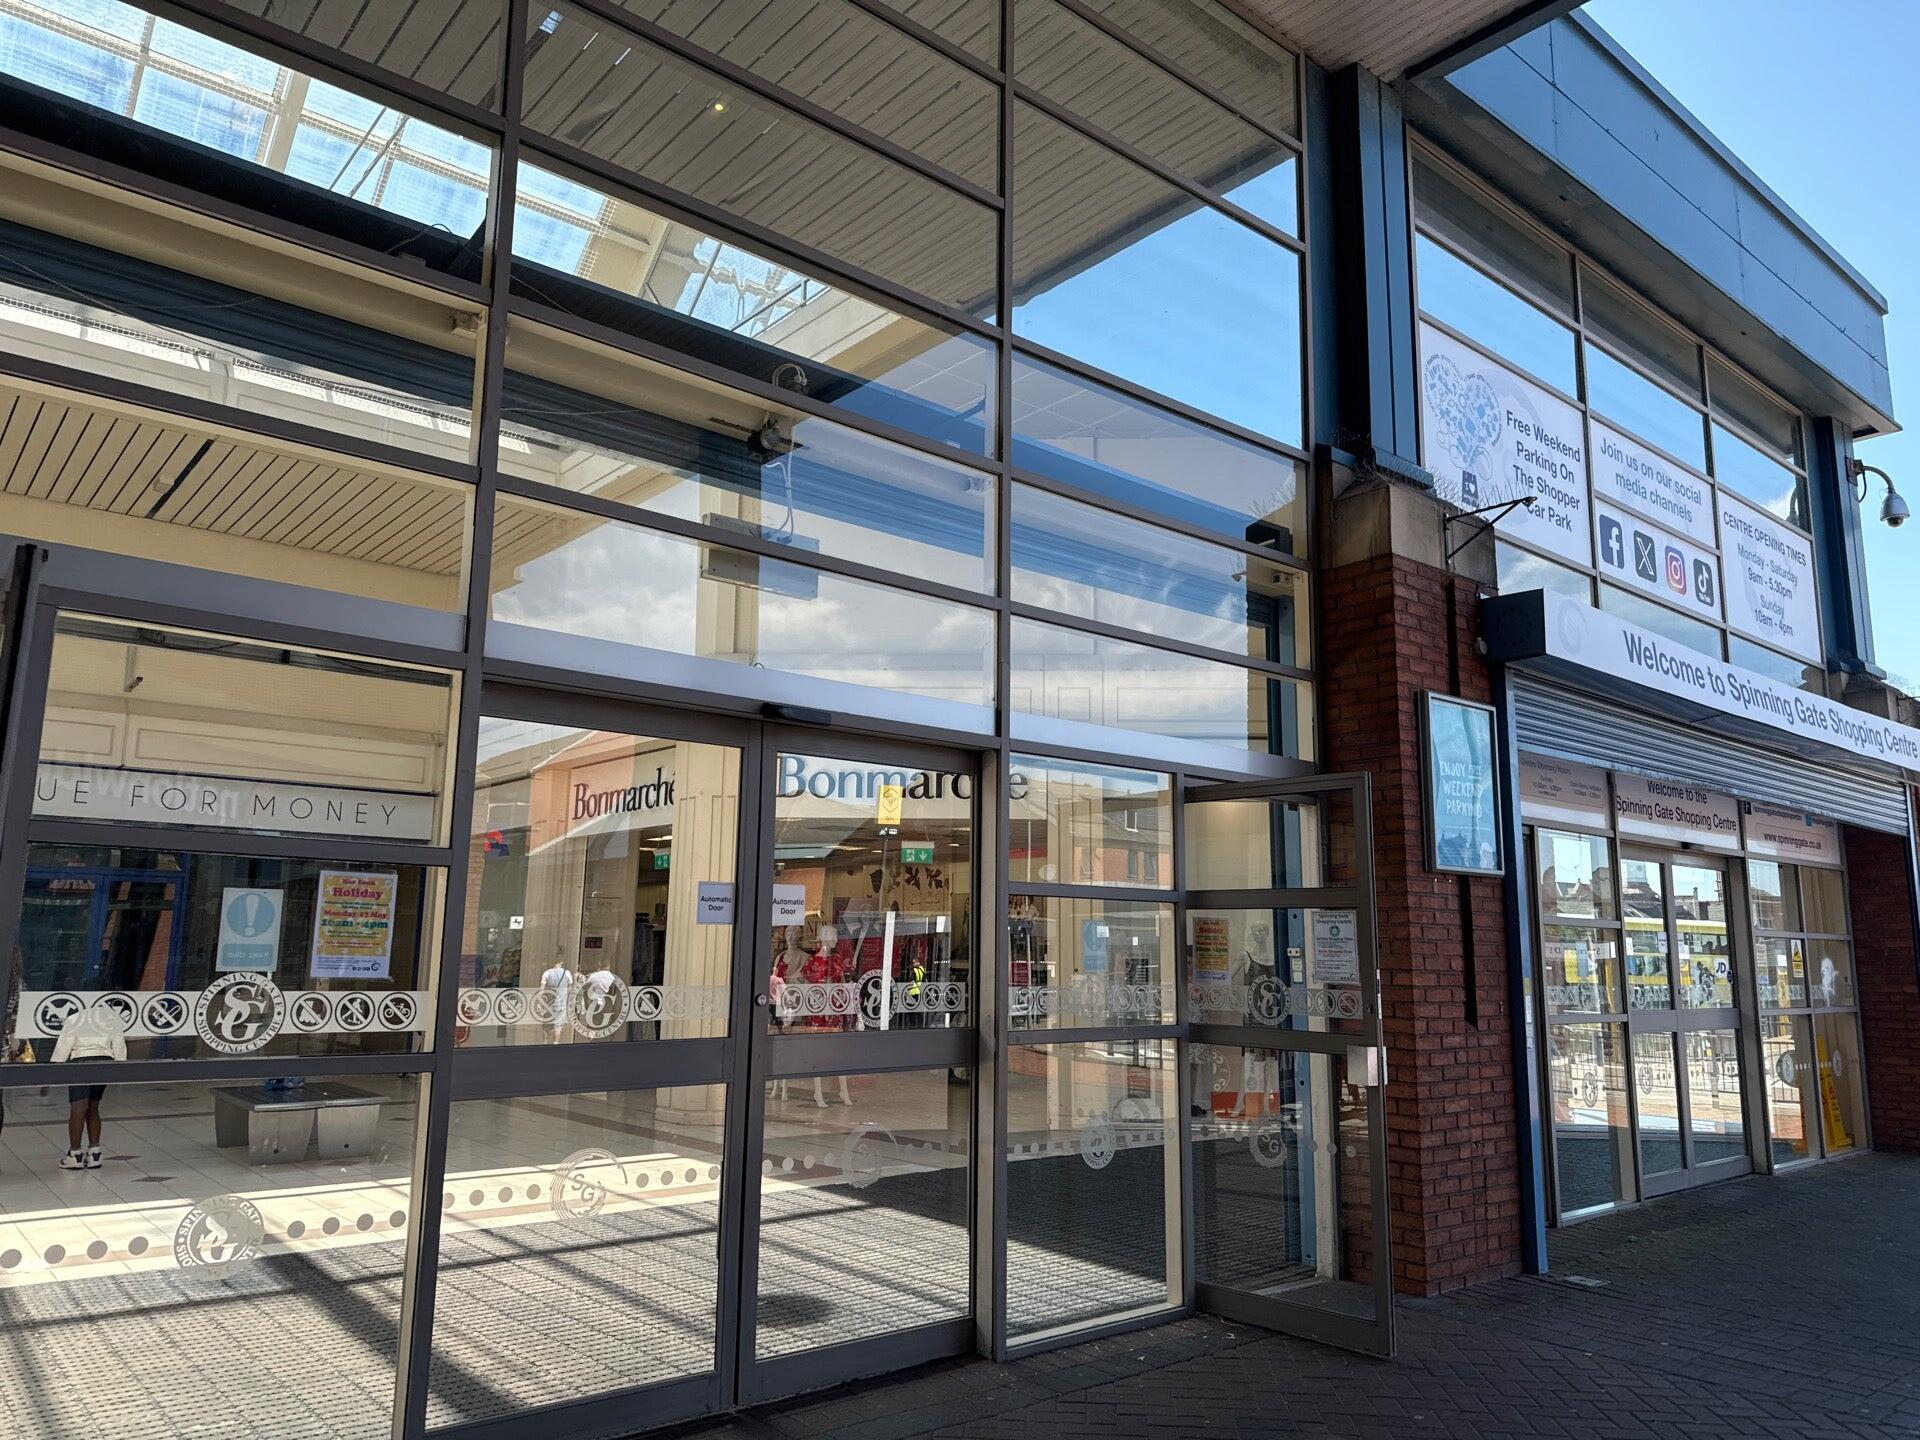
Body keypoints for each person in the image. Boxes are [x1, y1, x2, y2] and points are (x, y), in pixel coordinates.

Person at [51, 1001, 126, 1170]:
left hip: (81, 1063)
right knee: (93, 1107)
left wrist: (52, 1074)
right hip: (104, 1062)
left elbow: (63, 1048)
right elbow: (119, 1046)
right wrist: (122, 1069)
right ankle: (94, 1153)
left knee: (78, 1108)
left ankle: (75, 1154)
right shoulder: (111, 1018)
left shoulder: (74, 1019)